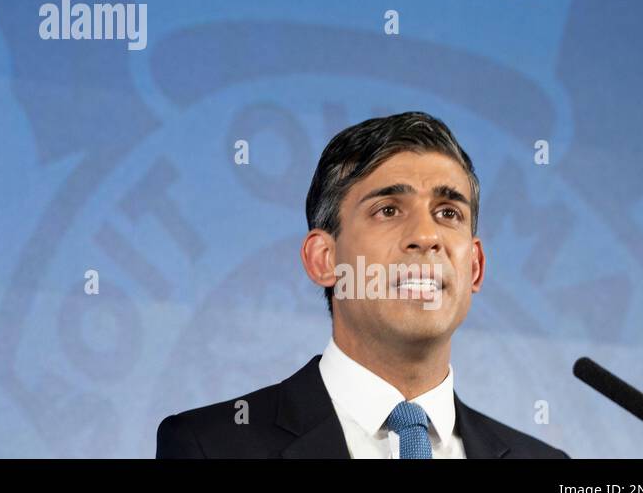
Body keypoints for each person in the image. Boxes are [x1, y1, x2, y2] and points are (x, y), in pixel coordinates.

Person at [156, 111, 568, 459]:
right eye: (388, 210)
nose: (426, 236)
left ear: (474, 267)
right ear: (324, 259)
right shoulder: (209, 447)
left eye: (448, 213)